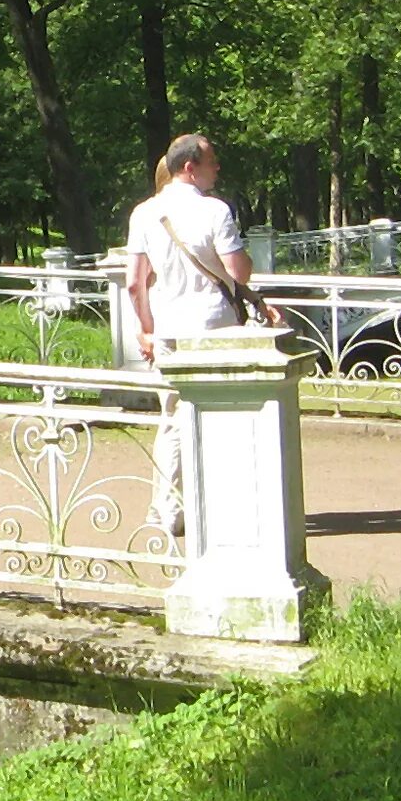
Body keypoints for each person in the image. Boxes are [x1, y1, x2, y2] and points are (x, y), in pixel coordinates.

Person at [124, 133, 281, 537]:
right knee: (224, 415)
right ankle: (224, 505)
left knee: (172, 418)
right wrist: (244, 259)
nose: (217, 169)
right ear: (189, 168)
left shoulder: (144, 212)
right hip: (213, 329)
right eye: (212, 162)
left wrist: (146, 329)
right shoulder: (215, 211)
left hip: (168, 329)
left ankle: (166, 508)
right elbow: (238, 271)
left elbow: (135, 284)